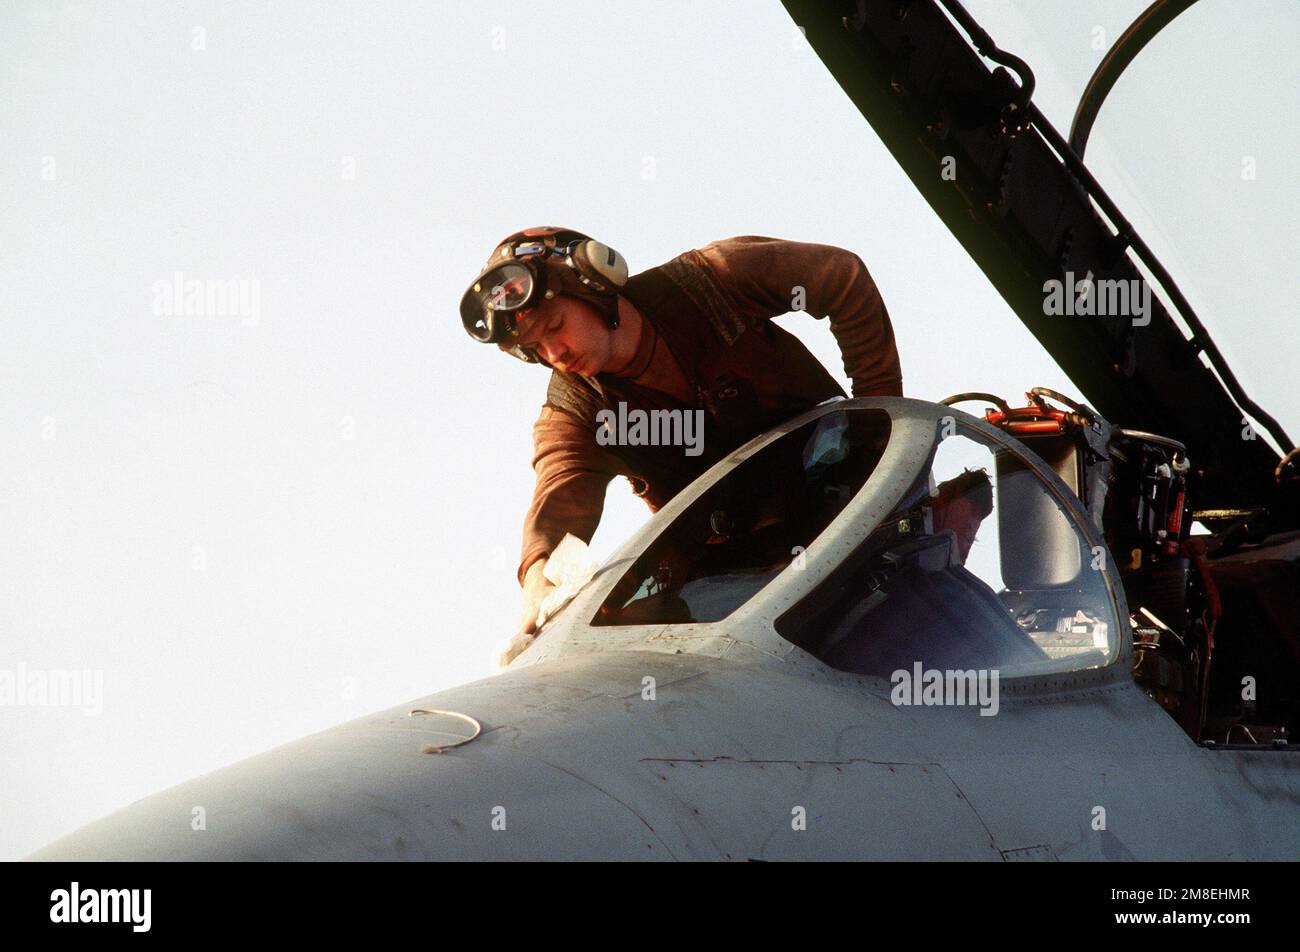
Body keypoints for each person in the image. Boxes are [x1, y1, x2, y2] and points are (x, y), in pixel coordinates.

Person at [459, 226, 904, 646]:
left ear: (593, 285)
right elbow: (556, 503)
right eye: (537, 348)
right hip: (741, 583)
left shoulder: (711, 283)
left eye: (555, 326)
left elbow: (840, 277)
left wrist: (879, 419)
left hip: (857, 501)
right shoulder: (576, 413)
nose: (555, 354)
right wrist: (539, 578)